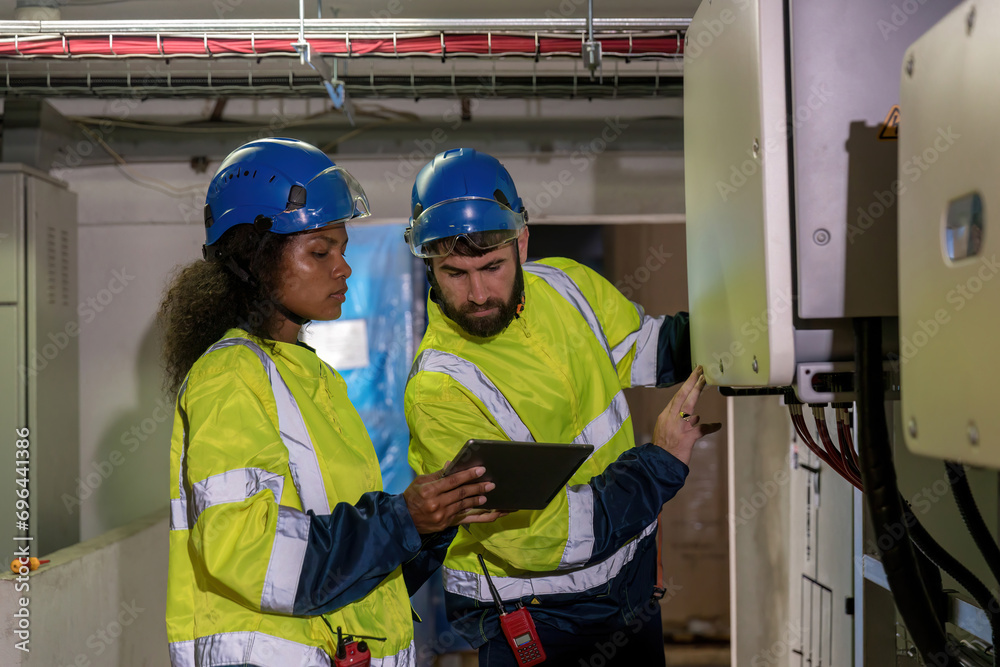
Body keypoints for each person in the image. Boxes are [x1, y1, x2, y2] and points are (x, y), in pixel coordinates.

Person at [159, 138, 504, 667]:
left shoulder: (310, 375)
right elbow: (249, 553)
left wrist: (433, 523)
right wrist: (402, 520)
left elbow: (345, 571)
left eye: (342, 249)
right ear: (254, 257)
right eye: (320, 252)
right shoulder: (230, 375)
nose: (343, 268)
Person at [402, 148, 721, 666]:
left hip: (629, 588)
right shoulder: (439, 389)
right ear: (429, 266)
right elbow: (546, 539)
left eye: (492, 266)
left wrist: (738, 326)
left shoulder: (566, 285)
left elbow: (644, 349)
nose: (478, 294)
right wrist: (658, 465)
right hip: (539, 615)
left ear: (522, 243)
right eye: (455, 273)